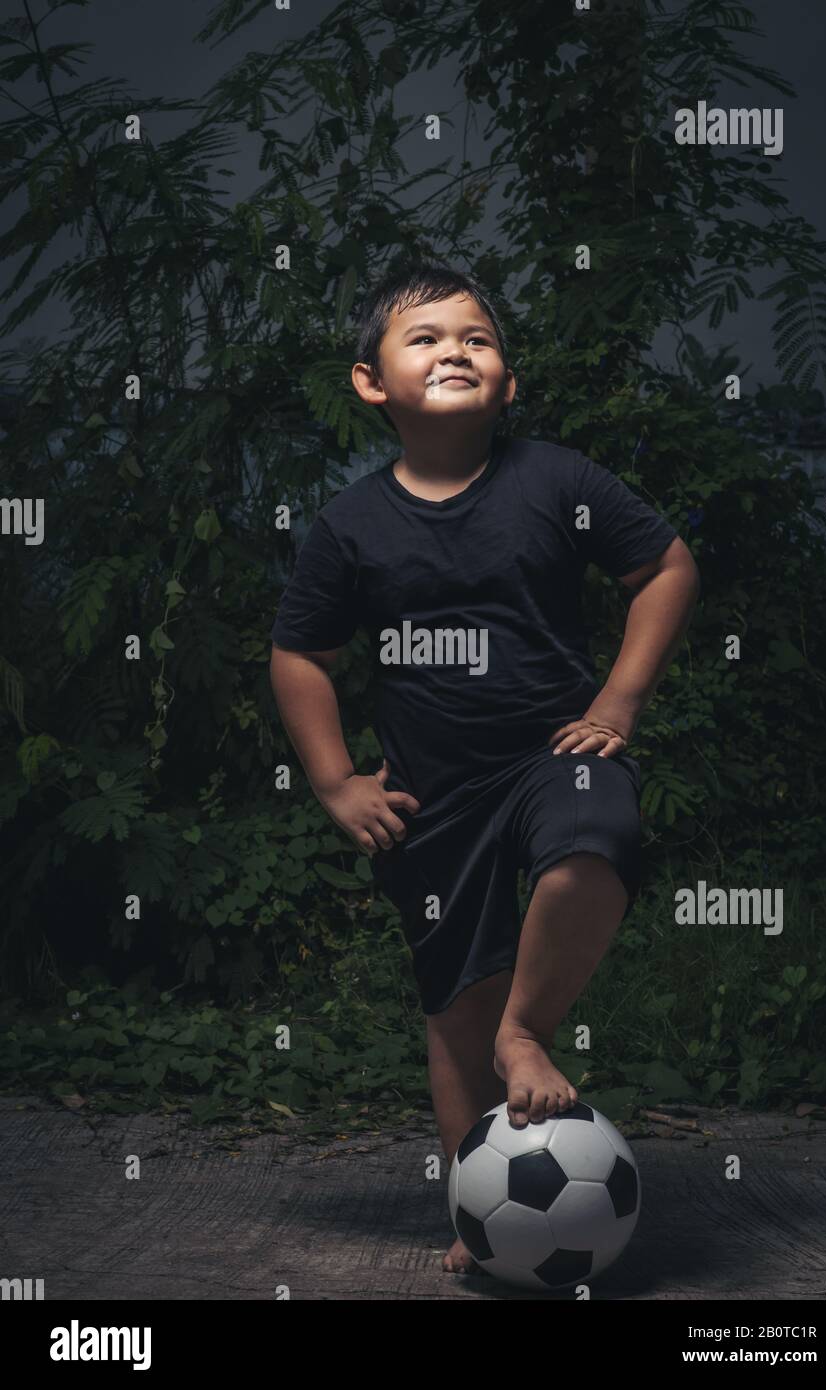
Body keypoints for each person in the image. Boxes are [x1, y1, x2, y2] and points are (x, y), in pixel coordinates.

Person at [269, 262, 700, 1275]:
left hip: (551, 755)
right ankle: (481, 1204)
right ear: (372, 383)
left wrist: (618, 702)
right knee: (455, 1009)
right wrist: (336, 781)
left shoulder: (557, 481)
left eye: (477, 338)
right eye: (425, 338)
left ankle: (530, 1030)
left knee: (597, 840)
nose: (454, 349)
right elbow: (300, 656)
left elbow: (667, 567)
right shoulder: (351, 525)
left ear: (507, 383)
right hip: (432, 796)